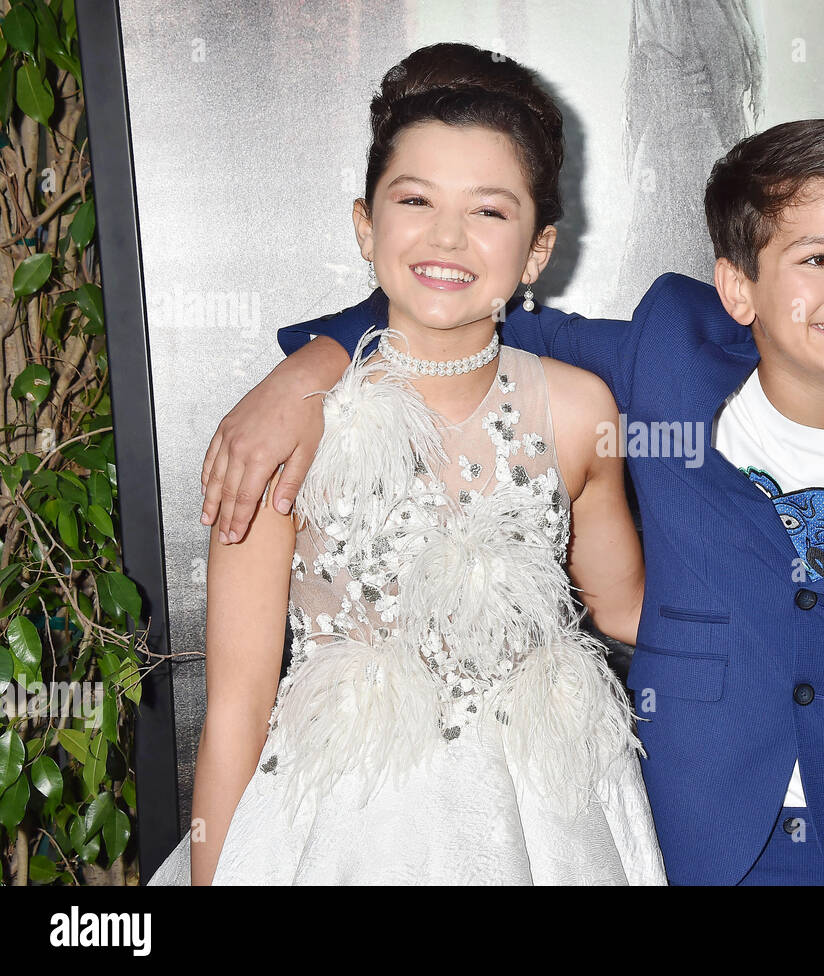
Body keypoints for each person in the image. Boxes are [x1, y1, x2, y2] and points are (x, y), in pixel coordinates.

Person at [204, 112, 824, 884]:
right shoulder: (666, 362)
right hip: (700, 842)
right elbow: (449, 305)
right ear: (737, 289)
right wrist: (306, 368)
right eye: (815, 259)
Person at [148, 44, 666, 885]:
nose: (448, 236)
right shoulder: (288, 424)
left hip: (553, 826)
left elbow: (630, 608)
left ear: (537, 250)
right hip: (335, 824)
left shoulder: (578, 410)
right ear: (366, 224)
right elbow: (237, 705)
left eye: (490, 212)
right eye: (415, 200)